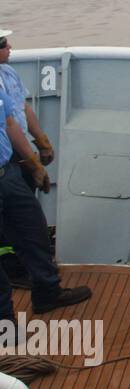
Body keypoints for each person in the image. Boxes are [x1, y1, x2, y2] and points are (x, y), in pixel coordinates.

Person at [0, 84, 91, 327]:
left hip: (7, 174)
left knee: (33, 229)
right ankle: (4, 323)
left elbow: (9, 124)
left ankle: (47, 291)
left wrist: (33, 164)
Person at [0, 29, 57, 285]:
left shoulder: (8, 73)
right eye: (2, 44)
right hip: (10, 160)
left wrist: (42, 143)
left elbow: (22, 110)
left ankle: (35, 273)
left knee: (28, 221)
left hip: (18, 158)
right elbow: (8, 126)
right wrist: (32, 162)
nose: (9, 46)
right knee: (15, 226)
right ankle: (14, 268)